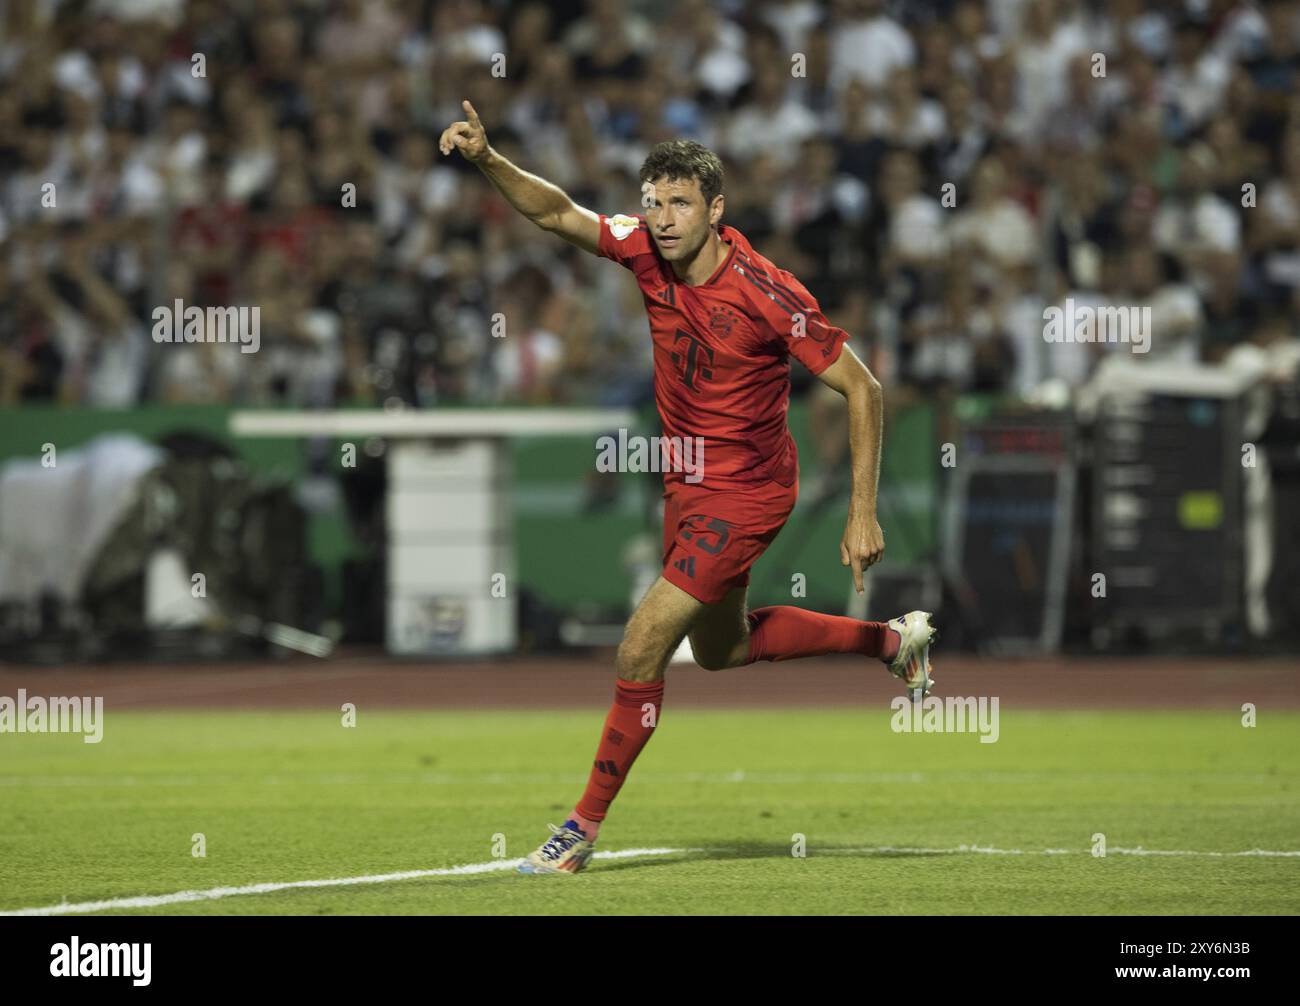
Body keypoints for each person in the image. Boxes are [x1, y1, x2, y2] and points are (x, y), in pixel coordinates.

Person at [440, 100, 937, 875]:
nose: (662, 219)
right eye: (653, 201)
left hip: (748, 492)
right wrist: (487, 158)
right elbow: (558, 215)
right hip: (688, 486)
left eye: (679, 203)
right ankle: (893, 641)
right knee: (721, 649)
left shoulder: (769, 293)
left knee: (641, 644)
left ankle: (579, 829)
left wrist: (862, 511)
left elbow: (864, 387)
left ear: (715, 208)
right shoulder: (642, 249)